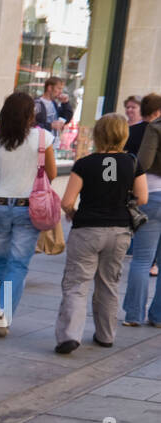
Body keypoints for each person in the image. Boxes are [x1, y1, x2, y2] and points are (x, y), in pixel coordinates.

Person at [54, 115, 147, 352]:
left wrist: (73, 213)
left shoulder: (84, 164)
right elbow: (143, 198)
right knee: (109, 283)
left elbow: (67, 201)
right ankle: (105, 335)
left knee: (77, 282)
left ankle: (69, 336)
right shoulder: (133, 163)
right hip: (119, 231)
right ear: (123, 134)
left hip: (87, 228)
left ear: (98, 134)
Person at [0, 92, 57, 336]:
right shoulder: (43, 138)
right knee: (18, 264)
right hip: (28, 205)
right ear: (29, 114)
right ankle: (2, 313)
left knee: (0, 261)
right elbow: (52, 173)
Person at [124, 103, 161, 326]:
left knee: (142, 259)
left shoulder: (156, 127)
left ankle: (134, 315)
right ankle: (158, 317)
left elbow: (143, 163)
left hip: (153, 194)